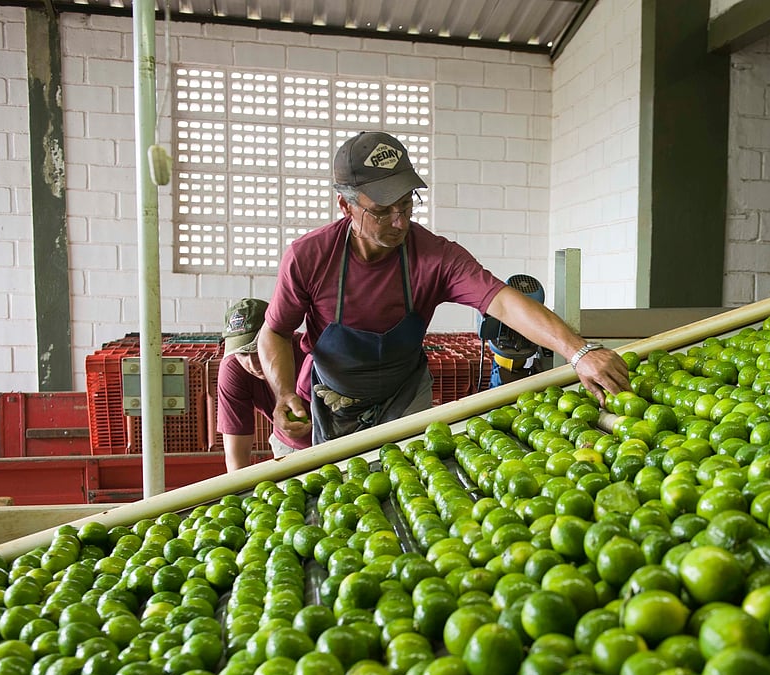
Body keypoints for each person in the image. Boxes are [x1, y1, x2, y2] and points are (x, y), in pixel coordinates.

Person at [258, 131, 631, 445]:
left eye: (407, 205)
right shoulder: (309, 257)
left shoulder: (435, 256)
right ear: (346, 206)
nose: (400, 221)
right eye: (384, 209)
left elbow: (503, 302)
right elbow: (274, 331)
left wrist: (579, 351)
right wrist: (284, 391)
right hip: (330, 402)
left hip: (404, 399)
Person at [216, 298, 311, 470]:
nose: (252, 364)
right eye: (242, 354)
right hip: (288, 444)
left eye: (257, 349)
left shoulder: (307, 353)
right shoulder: (233, 369)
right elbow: (236, 457)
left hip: (338, 439)